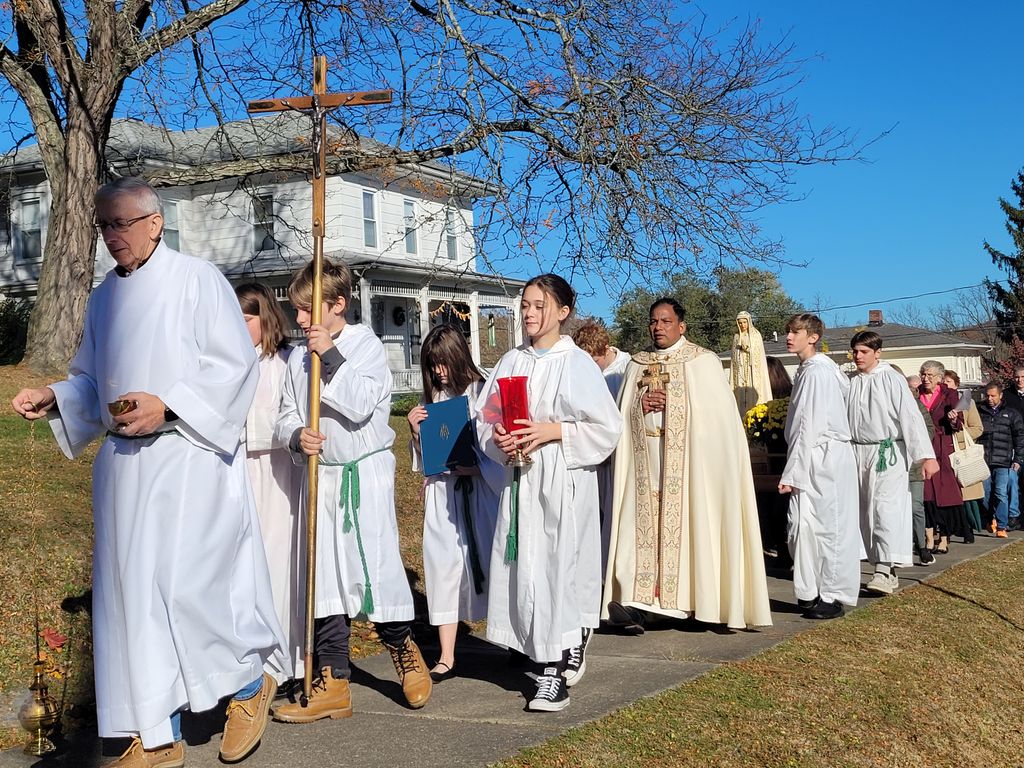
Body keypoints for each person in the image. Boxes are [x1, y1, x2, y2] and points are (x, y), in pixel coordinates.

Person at [11, 177, 285, 766]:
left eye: (120, 224)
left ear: (155, 223)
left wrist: (169, 404)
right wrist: (58, 397)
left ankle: (246, 687)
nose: (110, 237)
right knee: (130, 600)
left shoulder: (198, 281)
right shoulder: (103, 297)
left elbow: (233, 366)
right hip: (123, 470)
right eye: (103, 226)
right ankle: (154, 734)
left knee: (191, 589)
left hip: (190, 459)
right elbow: (92, 378)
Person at [271, 258, 432, 724]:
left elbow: (362, 405)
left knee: (373, 571)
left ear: (338, 305)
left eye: (307, 310)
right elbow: (285, 411)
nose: (299, 320)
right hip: (321, 476)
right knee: (324, 581)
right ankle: (333, 680)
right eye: (296, 311)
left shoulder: (366, 346)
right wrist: (295, 435)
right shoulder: (299, 358)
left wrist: (331, 358)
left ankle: (404, 650)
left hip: (364, 476)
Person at [475, 274, 622, 712]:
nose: (529, 314)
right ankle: (548, 640)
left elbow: (606, 428)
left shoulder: (573, 362)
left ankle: (553, 673)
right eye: (525, 305)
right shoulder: (510, 361)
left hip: (562, 478)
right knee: (526, 566)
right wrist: (498, 438)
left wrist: (553, 430)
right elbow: (487, 418)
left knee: (558, 567)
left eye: (540, 306)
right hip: (520, 479)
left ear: (562, 312)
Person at [603, 298, 772, 632]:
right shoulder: (637, 364)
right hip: (645, 468)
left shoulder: (702, 362)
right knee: (640, 533)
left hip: (691, 473)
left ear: (682, 326)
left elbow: (718, 422)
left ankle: (691, 602)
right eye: (653, 321)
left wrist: (675, 402)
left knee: (693, 529)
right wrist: (639, 404)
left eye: (666, 322)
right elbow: (619, 416)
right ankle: (640, 604)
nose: (658, 328)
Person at [408, 325, 500, 683]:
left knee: (492, 564)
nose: (439, 373)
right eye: (432, 366)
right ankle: (446, 655)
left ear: (458, 356)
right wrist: (417, 435)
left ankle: (515, 643)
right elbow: (426, 459)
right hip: (444, 492)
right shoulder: (435, 399)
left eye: (443, 364)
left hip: (482, 491)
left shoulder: (483, 389)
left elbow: (497, 444)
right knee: (442, 565)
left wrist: (478, 466)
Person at [236, 283, 304, 692]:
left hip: (278, 476)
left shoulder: (285, 363)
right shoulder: (229, 366)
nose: (238, 326)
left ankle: (288, 663)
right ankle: (251, 666)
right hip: (241, 474)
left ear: (264, 318)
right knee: (246, 572)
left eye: (245, 319)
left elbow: (287, 416)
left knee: (280, 568)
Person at [777, 313, 861, 620]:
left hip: (824, 457)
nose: (789, 336)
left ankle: (833, 595)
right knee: (802, 526)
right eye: (788, 331)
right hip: (811, 455)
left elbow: (808, 424)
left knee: (830, 526)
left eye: (795, 332)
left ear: (812, 337)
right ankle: (810, 591)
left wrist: (792, 472)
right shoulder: (810, 369)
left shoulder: (817, 372)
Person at [847, 331, 937, 596]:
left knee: (885, 509)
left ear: (878, 352)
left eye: (864, 351)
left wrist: (925, 457)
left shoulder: (891, 379)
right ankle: (880, 563)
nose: (858, 356)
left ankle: (884, 570)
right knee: (864, 512)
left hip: (888, 452)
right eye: (855, 351)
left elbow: (910, 417)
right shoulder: (850, 381)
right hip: (857, 452)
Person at [571, 319, 631, 571]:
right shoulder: (583, 370)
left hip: (618, 457)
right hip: (591, 456)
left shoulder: (626, 368)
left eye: (594, 361)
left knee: (616, 516)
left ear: (605, 349)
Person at [917, 361, 967, 553]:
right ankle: (928, 537)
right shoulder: (915, 394)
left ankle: (944, 538)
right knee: (925, 494)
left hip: (942, 449)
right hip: (921, 448)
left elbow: (958, 423)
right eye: (923, 374)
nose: (926, 378)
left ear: (939, 378)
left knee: (944, 496)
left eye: (930, 375)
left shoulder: (949, 394)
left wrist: (954, 418)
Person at [978, 383, 1024, 537]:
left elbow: (1019, 438)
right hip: (984, 460)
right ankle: (990, 518)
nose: (990, 399)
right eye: (988, 396)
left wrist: (1018, 459)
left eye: (993, 396)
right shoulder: (980, 412)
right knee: (985, 493)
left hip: (1003, 461)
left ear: (1000, 395)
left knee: (1001, 493)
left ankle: (1002, 526)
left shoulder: (1011, 414)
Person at [944, 370, 984, 533]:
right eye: (943, 382)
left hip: (963, 454)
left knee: (968, 495)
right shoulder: (939, 403)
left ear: (956, 384)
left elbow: (978, 428)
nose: (946, 385)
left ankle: (975, 525)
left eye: (949, 382)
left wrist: (960, 434)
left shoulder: (966, 402)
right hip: (946, 452)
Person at [905, 374, 937, 565]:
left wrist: (918, 446)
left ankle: (922, 546)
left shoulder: (916, 405)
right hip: (893, 463)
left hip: (914, 463)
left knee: (916, 506)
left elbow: (929, 429)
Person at [571, 320, 632, 399]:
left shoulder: (627, 366)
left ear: (606, 350)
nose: (589, 366)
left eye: (595, 361)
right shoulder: (581, 371)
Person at [730, 310, 773, 417]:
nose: (742, 325)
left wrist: (747, 349)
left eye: (744, 322)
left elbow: (758, 353)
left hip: (751, 370)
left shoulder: (755, 335)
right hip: (740, 371)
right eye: (740, 323)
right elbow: (734, 357)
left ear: (749, 322)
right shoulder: (736, 337)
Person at [1000, 366, 1024, 529]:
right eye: (1016, 377)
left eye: (1022, 377)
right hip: (1013, 443)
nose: (1019, 380)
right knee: (1013, 480)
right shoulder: (1008, 396)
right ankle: (1015, 515)